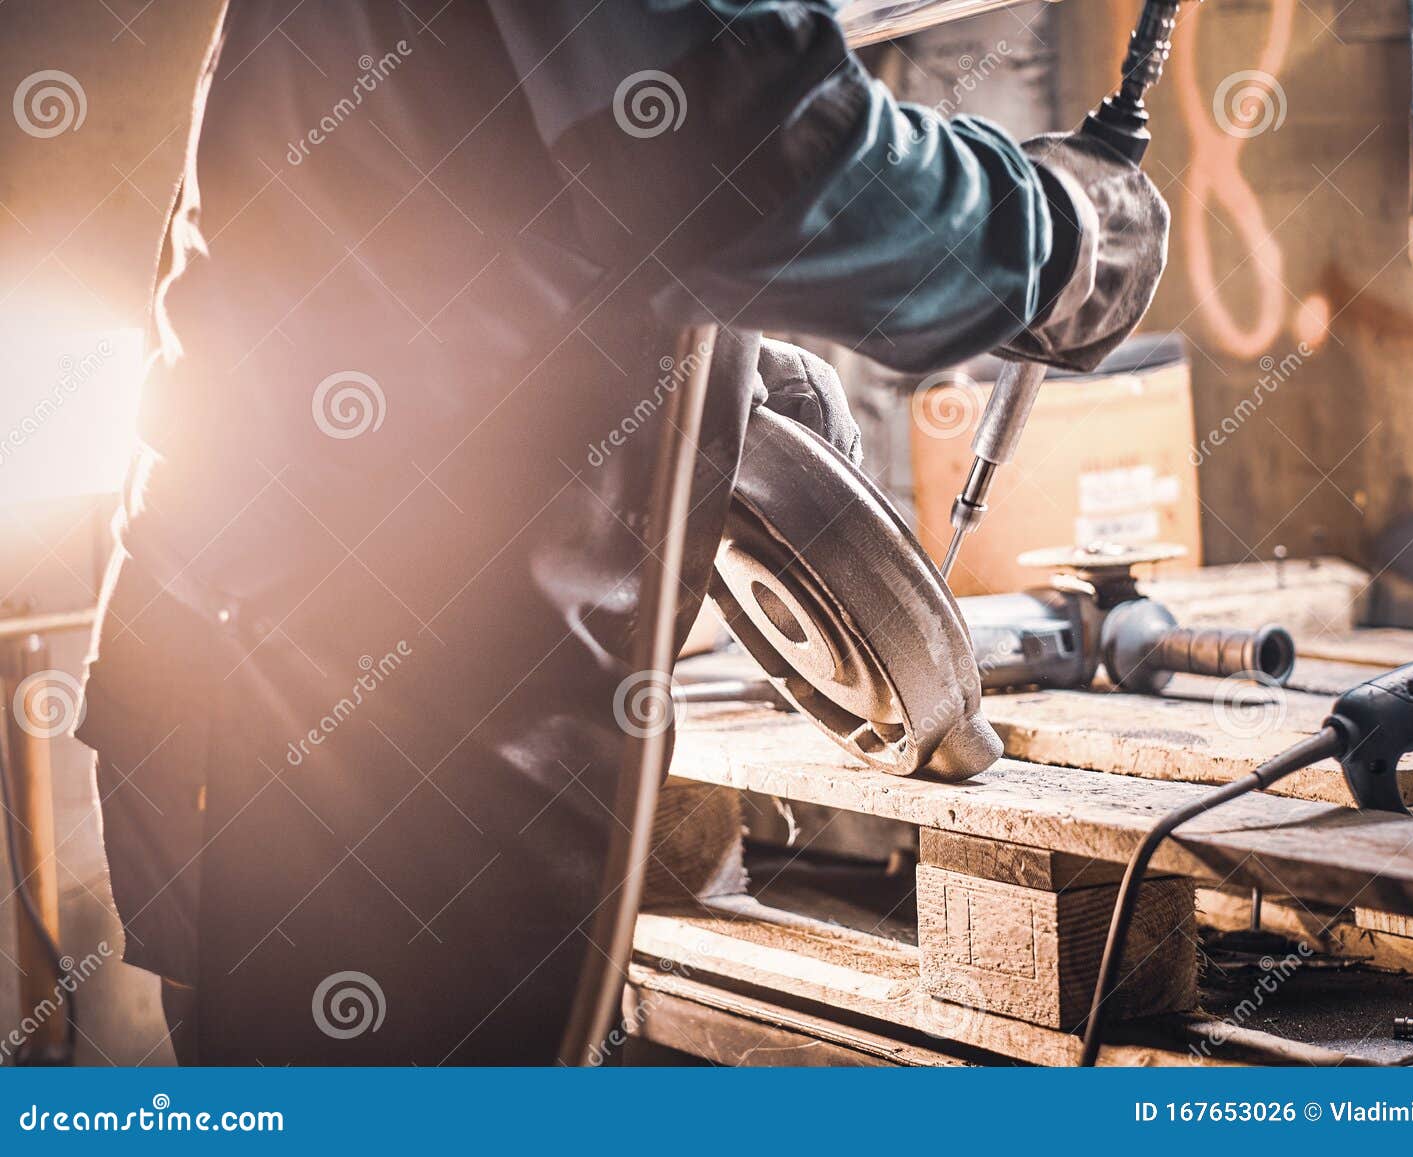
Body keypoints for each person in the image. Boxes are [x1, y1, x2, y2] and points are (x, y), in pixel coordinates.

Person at [75, 1, 1168, 1064]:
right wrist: (1061, 235)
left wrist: (711, 376)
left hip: (318, 660)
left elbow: (492, 201)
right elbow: (747, 147)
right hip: (340, 709)